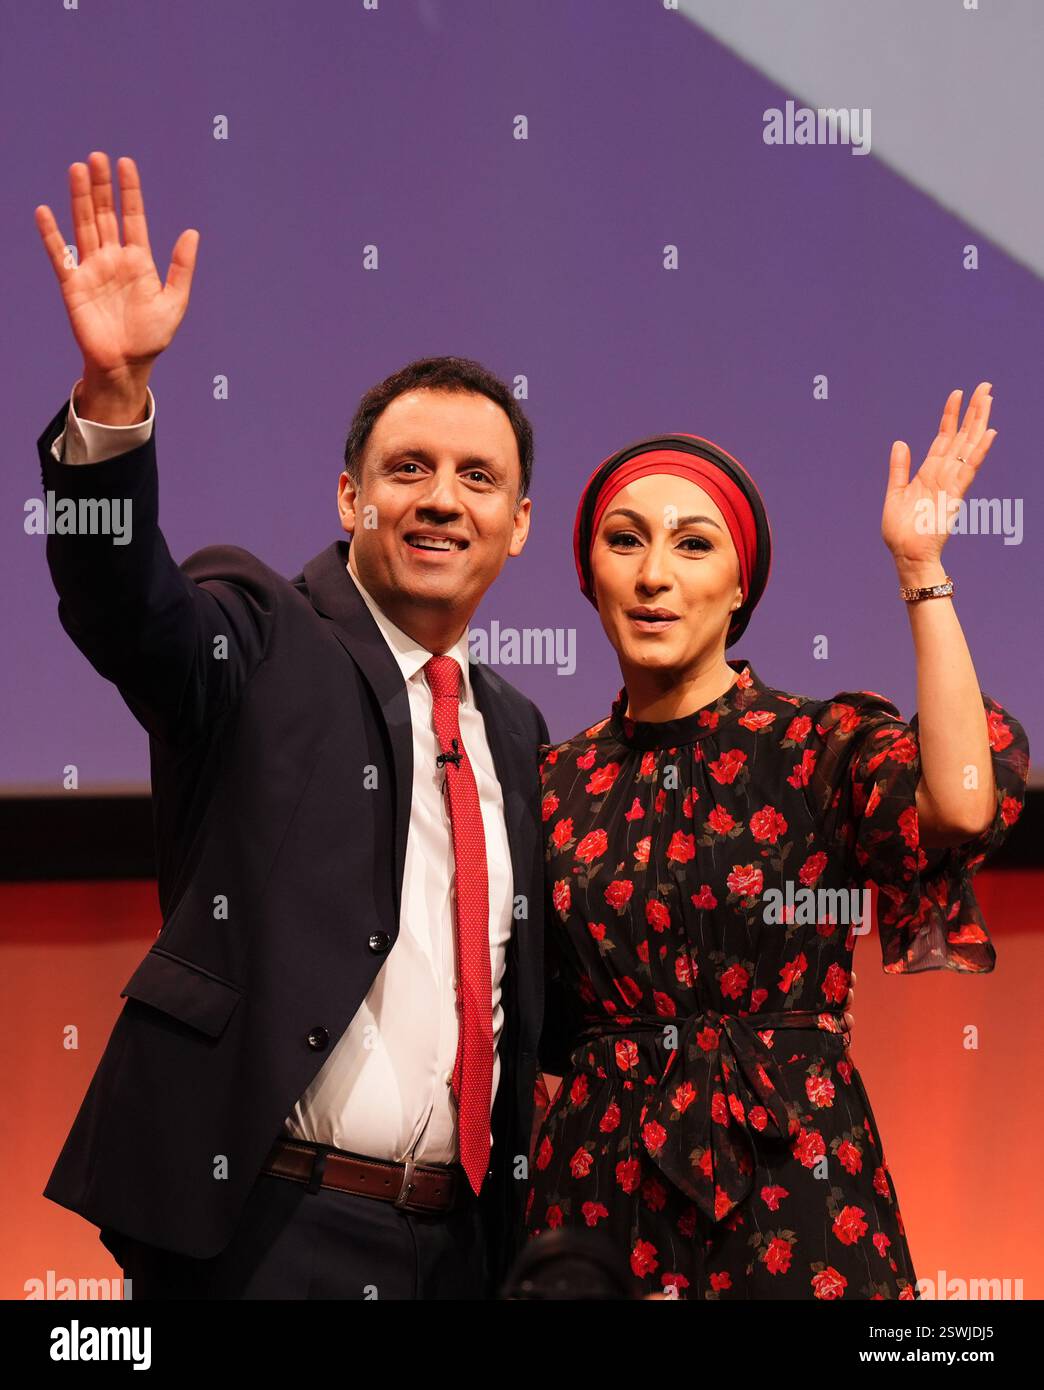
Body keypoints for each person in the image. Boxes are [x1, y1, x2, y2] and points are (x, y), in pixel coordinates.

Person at [33, 152, 549, 1298]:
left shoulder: (516, 728)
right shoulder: (263, 629)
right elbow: (130, 608)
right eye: (406, 468)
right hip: (267, 1233)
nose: (439, 499)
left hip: (458, 1249)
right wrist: (115, 402)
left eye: (477, 477)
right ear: (349, 499)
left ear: (518, 526)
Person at [524, 411, 1029, 1299]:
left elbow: (959, 799)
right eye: (625, 540)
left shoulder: (814, 747)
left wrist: (921, 569)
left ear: (737, 585)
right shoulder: (550, 785)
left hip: (792, 1175)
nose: (653, 575)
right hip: (600, 1188)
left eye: (692, 545)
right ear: (589, 575)